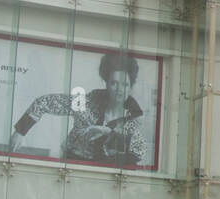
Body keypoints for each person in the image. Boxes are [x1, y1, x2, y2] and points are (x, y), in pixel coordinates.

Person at [10, 51, 147, 167]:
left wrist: (111, 134)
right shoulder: (85, 103)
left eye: (125, 84)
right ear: (106, 83)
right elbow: (44, 102)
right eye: (114, 83)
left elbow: (139, 153)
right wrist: (20, 132)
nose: (119, 90)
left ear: (131, 87)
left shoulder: (134, 119)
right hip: (72, 165)